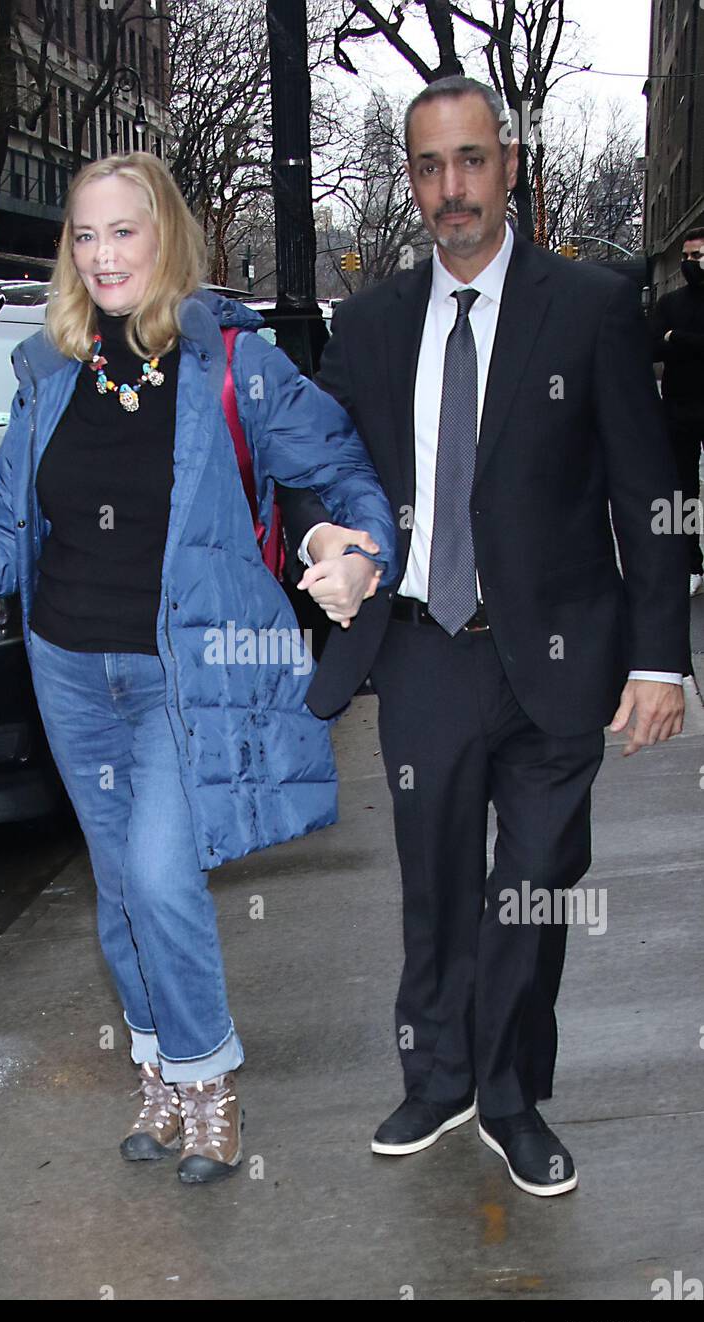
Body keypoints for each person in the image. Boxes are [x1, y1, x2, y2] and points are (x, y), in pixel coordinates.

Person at [0, 152, 397, 1186]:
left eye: (125, 230)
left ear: (164, 236)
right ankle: (158, 1066)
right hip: (71, 672)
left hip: (179, 672)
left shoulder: (234, 362)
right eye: (86, 234)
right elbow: (7, 531)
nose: (104, 252)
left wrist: (358, 545)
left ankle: (209, 1082)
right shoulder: (48, 372)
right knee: (121, 889)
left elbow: (341, 465)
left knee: (165, 878)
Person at [278, 77, 690, 1198]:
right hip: (424, 647)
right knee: (438, 882)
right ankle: (440, 1074)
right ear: (409, 181)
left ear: (508, 165)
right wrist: (326, 544)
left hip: (561, 654)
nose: (451, 188)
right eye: (428, 166)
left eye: (471, 160)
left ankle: (512, 1097)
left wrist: (662, 657)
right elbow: (313, 475)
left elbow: (650, 492)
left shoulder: (591, 307)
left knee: (539, 882)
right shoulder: (367, 326)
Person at [651, 226, 704, 596]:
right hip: (679, 410)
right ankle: (690, 564)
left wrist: (678, 339)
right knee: (680, 495)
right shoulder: (670, 303)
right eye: (685, 257)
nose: (688, 263)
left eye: (696, 257)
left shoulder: (673, 316)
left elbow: (666, 342)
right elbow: (650, 346)